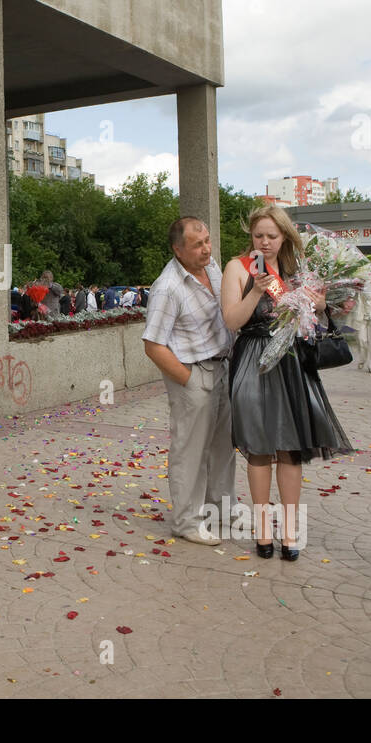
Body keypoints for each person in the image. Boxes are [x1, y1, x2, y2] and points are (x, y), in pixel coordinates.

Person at [221, 204, 353, 560]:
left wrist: (322, 306)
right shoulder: (237, 267)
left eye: (271, 236)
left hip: (291, 363)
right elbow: (232, 321)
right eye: (258, 235)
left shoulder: (297, 270)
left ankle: (290, 531)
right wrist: (254, 291)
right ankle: (264, 532)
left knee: (291, 449)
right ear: (250, 235)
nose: (264, 242)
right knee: (260, 449)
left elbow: (311, 321)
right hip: (254, 362)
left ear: (285, 237)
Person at [142, 218, 236, 547]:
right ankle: (187, 521)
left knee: (223, 447)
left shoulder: (212, 269)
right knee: (190, 451)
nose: (207, 249)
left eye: (208, 240)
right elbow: (153, 344)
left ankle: (222, 508)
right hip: (193, 375)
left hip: (222, 367)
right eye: (197, 245)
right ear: (178, 250)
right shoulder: (167, 287)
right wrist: (190, 380)